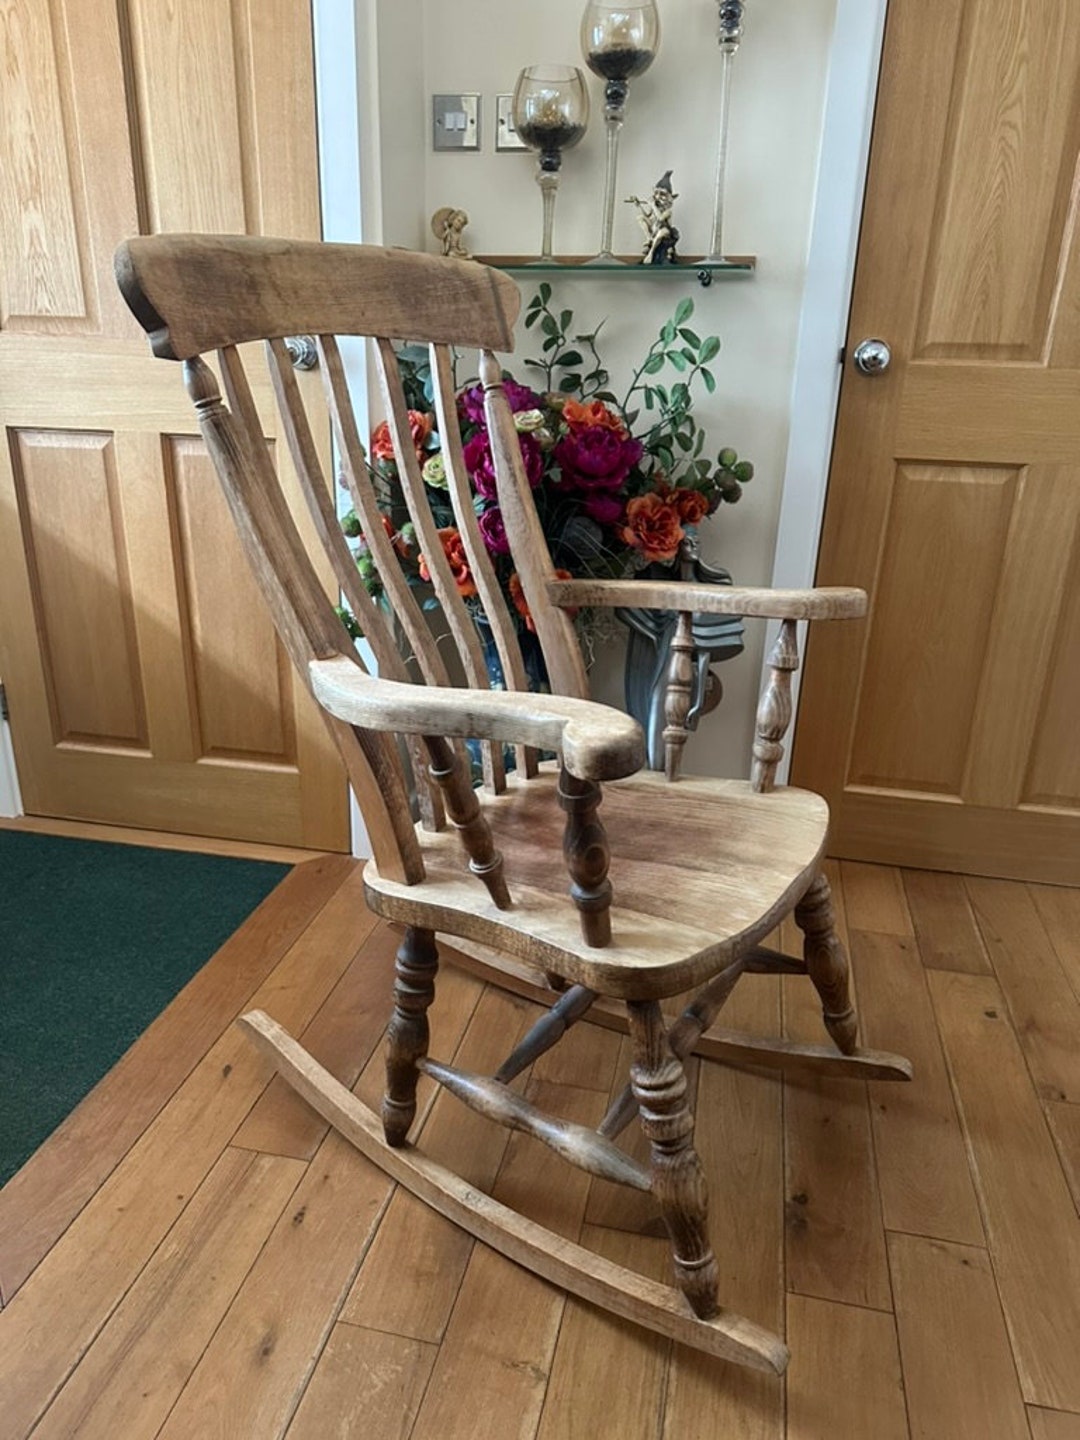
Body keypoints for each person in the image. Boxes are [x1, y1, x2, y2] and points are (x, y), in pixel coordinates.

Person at [626, 172, 680, 265]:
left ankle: (651, 253)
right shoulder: (654, 207)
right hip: (654, 228)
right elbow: (647, 216)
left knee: (661, 233)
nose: (658, 197)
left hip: (665, 231)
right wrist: (639, 205)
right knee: (640, 218)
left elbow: (660, 218)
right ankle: (649, 238)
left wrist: (653, 205)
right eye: (656, 193)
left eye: (662, 194)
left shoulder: (668, 211)